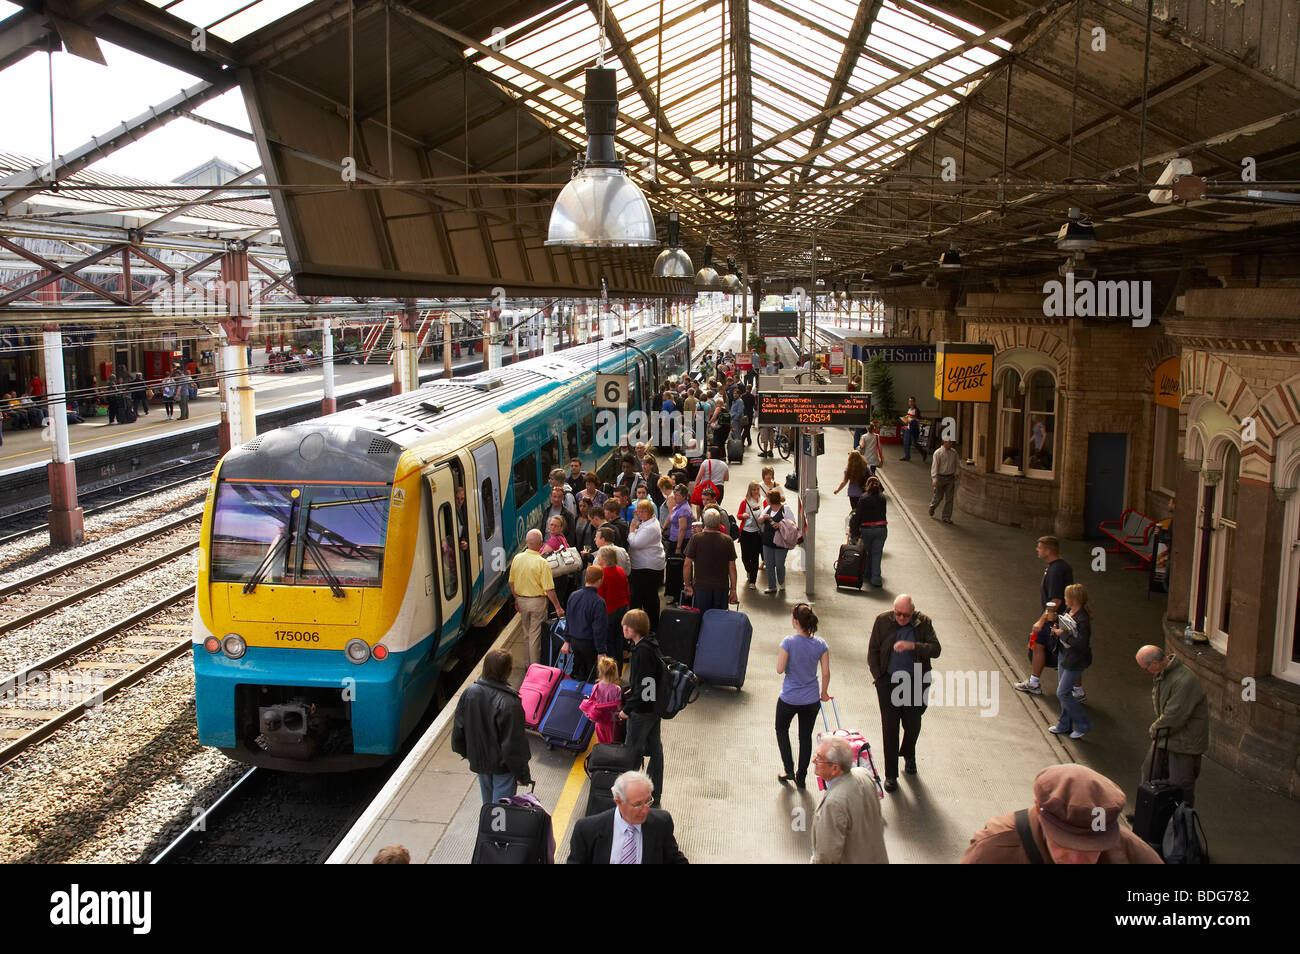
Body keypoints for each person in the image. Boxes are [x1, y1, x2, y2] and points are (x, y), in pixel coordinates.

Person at [961, 764, 1162, 864]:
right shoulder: (993, 851)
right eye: (1064, 842)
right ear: (1039, 809)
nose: (1076, 860)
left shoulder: (1132, 854)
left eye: (1091, 847)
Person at [868, 594, 942, 792]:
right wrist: (879, 678)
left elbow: (936, 649)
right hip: (889, 682)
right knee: (890, 728)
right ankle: (890, 775)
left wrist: (912, 646)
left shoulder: (923, 623)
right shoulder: (883, 621)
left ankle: (909, 752)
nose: (901, 618)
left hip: (915, 682)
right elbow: (873, 650)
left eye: (905, 616)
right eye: (898, 614)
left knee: (913, 723)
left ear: (913, 612)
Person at [451, 648, 533, 804]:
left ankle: (488, 827)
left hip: (480, 762)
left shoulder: (469, 692)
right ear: (507, 671)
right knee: (500, 812)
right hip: (503, 767)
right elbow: (514, 745)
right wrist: (522, 775)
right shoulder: (510, 703)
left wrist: (468, 753)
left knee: (488, 805)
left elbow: (459, 729)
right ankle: (495, 828)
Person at [1135, 644, 1209, 806]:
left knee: (1180, 785)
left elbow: (1174, 716)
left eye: (1144, 668)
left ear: (1154, 664)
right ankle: (1148, 813)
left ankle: (1181, 822)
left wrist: (1154, 730)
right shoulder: (1165, 674)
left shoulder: (1184, 681)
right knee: (1149, 773)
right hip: (1166, 736)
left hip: (1184, 742)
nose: (1145, 672)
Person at [567, 770, 688, 864]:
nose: (645, 810)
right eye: (637, 805)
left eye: (648, 801)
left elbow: (674, 860)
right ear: (618, 801)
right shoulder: (587, 830)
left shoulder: (661, 823)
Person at [775, 603, 830, 789]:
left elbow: (780, 669)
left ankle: (788, 769)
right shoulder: (821, 644)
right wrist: (824, 693)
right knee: (805, 737)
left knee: (781, 729)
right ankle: (802, 775)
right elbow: (826, 673)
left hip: (789, 697)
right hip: (811, 698)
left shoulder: (788, 643)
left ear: (796, 621)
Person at [811, 736, 889, 864]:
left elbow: (827, 856)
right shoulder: (864, 774)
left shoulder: (834, 803)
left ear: (835, 768)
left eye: (819, 758)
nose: (814, 761)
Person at [1015, 536, 1076, 696]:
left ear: (1048, 551)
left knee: (1049, 649)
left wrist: (1040, 621)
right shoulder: (1060, 567)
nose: (1037, 550)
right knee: (1062, 652)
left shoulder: (1055, 571)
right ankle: (1075, 689)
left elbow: (1055, 599)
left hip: (1053, 619)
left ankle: (1035, 683)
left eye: (1040, 547)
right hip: (1057, 618)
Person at [619, 610, 666, 803]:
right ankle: (654, 792)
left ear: (635, 629)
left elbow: (646, 688)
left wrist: (627, 710)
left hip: (642, 712)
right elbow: (648, 682)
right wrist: (634, 688)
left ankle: (630, 794)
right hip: (654, 709)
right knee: (655, 750)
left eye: (626, 626)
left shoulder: (642, 652)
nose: (624, 629)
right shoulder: (650, 645)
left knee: (632, 752)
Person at [508, 529, 565, 665]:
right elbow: (549, 589)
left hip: (522, 601)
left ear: (527, 542)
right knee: (535, 636)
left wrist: (516, 598)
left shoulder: (517, 558)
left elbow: (511, 582)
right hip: (537, 602)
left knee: (527, 634)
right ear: (540, 543)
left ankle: (527, 665)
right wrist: (558, 607)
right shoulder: (542, 563)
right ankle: (534, 668)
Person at [1049, 584, 1093, 739]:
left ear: (1073, 599)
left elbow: (1081, 644)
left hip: (1075, 660)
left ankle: (1082, 724)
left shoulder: (1083, 619)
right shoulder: (1070, 611)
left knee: (1062, 692)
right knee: (1065, 692)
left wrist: (1062, 635)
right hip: (1065, 654)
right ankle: (1064, 724)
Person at [683, 508, 737, 614]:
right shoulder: (727, 540)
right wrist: (733, 589)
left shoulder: (696, 539)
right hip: (721, 587)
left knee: (700, 617)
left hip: (701, 587)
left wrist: (687, 585)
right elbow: (732, 567)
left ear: (704, 521)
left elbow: (687, 565)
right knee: (719, 618)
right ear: (718, 522)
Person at [562, 565, 608, 682]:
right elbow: (599, 629)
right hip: (589, 644)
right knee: (592, 676)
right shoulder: (598, 602)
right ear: (600, 580)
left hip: (574, 642)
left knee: (579, 673)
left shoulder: (573, 596)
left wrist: (566, 641)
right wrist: (601, 651)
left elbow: (569, 619)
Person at [627, 499, 666, 633]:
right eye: (639, 511)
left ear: (650, 512)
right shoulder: (647, 523)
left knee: (649, 599)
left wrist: (632, 530)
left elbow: (635, 543)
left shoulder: (650, 527)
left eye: (644, 512)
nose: (641, 514)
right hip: (645, 565)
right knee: (647, 597)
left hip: (647, 567)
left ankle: (652, 628)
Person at [597, 547, 631, 672]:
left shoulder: (602, 574)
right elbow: (627, 591)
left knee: (609, 642)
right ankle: (619, 670)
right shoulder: (620, 571)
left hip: (609, 611)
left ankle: (611, 671)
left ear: (604, 559)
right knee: (619, 639)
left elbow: (600, 597)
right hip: (622, 608)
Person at [852, 476, 888, 588]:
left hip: (866, 529)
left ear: (867, 486)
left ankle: (867, 574)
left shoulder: (863, 498)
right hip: (881, 529)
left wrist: (855, 532)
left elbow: (858, 516)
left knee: (866, 552)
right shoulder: (882, 498)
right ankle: (876, 579)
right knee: (877, 553)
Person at [757, 489, 795, 596]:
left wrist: (780, 524)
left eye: (768, 498)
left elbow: (792, 523)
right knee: (769, 564)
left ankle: (781, 582)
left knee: (779, 564)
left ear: (772, 499)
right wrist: (763, 518)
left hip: (781, 542)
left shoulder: (785, 509)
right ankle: (772, 586)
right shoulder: (767, 509)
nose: (766, 500)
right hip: (767, 541)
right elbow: (759, 520)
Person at [584, 656, 625, 745]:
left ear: (601, 672)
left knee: (601, 742)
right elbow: (618, 707)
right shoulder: (617, 689)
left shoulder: (596, 687)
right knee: (613, 743)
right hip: (612, 722)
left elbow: (593, 702)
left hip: (599, 722)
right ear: (615, 673)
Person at [735, 481, 764, 589]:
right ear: (750, 491)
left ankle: (753, 580)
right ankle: (749, 570)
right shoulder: (745, 502)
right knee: (745, 557)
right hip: (746, 532)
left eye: (757, 489)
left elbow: (766, 512)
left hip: (757, 532)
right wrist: (743, 515)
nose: (756, 492)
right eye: (754, 489)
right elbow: (738, 515)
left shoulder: (762, 501)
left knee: (755, 556)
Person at [833, 450, 869, 515]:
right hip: (862, 492)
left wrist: (838, 490)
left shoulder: (848, 470)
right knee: (863, 510)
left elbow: (844, 482)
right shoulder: (864, 468)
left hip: (852, 493)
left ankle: (856, 521)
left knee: (854, 510)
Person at [899, 396, 924, 462]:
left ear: (914, 402)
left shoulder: (916, 410)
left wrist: (912, 420)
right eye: (909, 401)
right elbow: (909, 416)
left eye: (912, 401)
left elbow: (918, 419)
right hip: (908, 427)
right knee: (906, 442)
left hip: (914, 428)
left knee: (914, 443)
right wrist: (905, 418)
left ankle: (923, 452)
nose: (910, 403)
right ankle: (907, 457)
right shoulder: (909, 409)